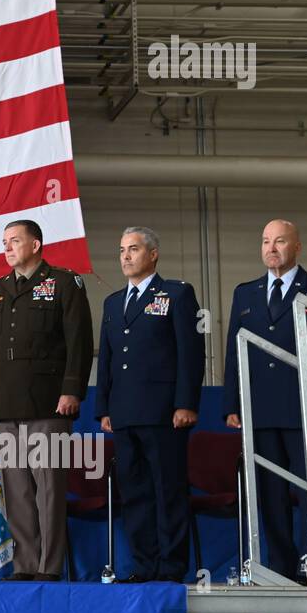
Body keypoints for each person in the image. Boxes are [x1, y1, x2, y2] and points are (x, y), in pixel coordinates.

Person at [223, 219, 307, 583]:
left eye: (279, 241)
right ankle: (280, 566)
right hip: (259, 409)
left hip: (306, 408)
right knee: (269, 492)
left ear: (297, 247)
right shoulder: (245, 293)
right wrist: (232, 403)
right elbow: (234, 351)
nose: (271, 248)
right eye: (265, 241)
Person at [0, 220, 93, 581]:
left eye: (15, 241)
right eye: (4, 242)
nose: (7, 247)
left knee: (49, 492)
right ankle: (25, 564)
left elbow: (79, 341)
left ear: (36, 244)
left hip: (48, 405)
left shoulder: (64, 283)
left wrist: (72, 389)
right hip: (5, 406)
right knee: (17, 492)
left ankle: (49, 567)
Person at [95, 227, 204, 583]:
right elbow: (108, 359)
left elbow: (190, 353)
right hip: (124, 414)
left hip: (164, 413)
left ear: (153, 254)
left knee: (167, 491)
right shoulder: (113, 302)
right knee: (135, 494)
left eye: (134, 249)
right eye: (122, 250)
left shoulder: (176, 293)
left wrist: (186, 402)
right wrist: (104, 408)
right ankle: (143, 565)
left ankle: (171, 567)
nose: (126, 256)